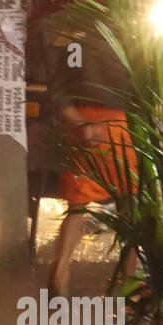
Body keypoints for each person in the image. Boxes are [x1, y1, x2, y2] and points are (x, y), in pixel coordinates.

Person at [48, 22, 137, 297]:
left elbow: (59, 94)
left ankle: (61, 270)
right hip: (117, 130)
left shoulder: (76, 46)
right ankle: (129, 282)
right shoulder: (130, 46)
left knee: (79, 203)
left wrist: (81, 124)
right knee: (129, 204)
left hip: (87, 130)